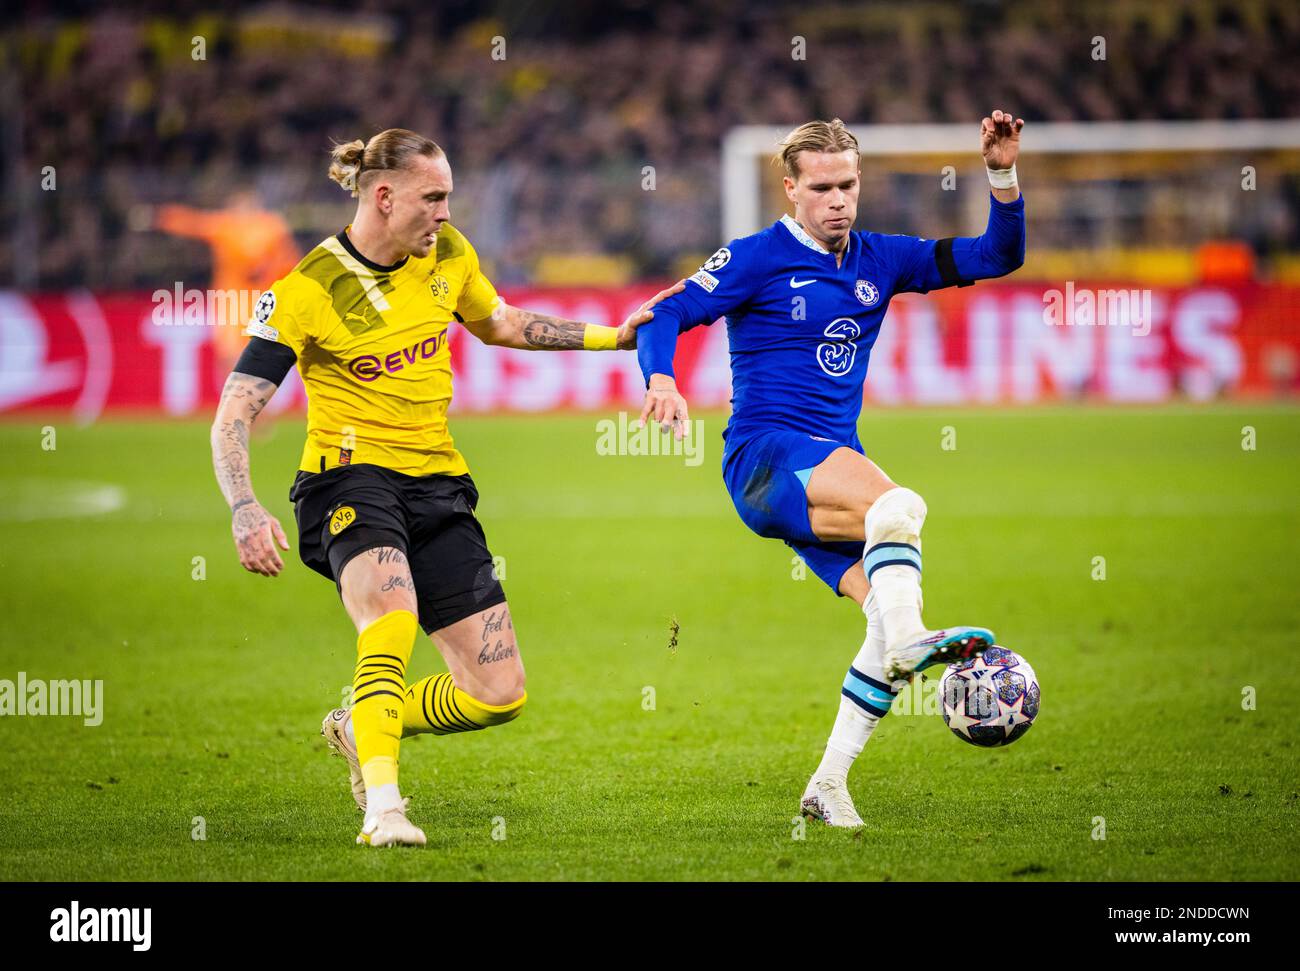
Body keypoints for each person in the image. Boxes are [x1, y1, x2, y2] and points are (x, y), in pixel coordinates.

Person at [209, 128, 680, 847]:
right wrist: (244, 505)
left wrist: (613, 338)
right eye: (434, 197)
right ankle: (385, 810)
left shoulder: (449, 256)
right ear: (384, 195)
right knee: (391, 617)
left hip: (438, 485)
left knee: (499, 694)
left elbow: (502, 322)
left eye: (448, 196)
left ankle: (359, 721)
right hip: (347, 480)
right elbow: (235, 408)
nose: (446, 213)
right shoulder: (306, 288)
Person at [633, 112, 1026, 827]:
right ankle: (915, 642)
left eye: (848, 184)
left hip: (823, 476)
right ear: (791, 189)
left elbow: (997, 257)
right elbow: (666, 312)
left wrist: (1000, 174)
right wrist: (661, 379)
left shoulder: (882, 258)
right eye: (822, 187)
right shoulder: (755, 257)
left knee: (881, 608)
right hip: (766, 458)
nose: (839, 199)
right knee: (899, 506)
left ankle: (829, 784)